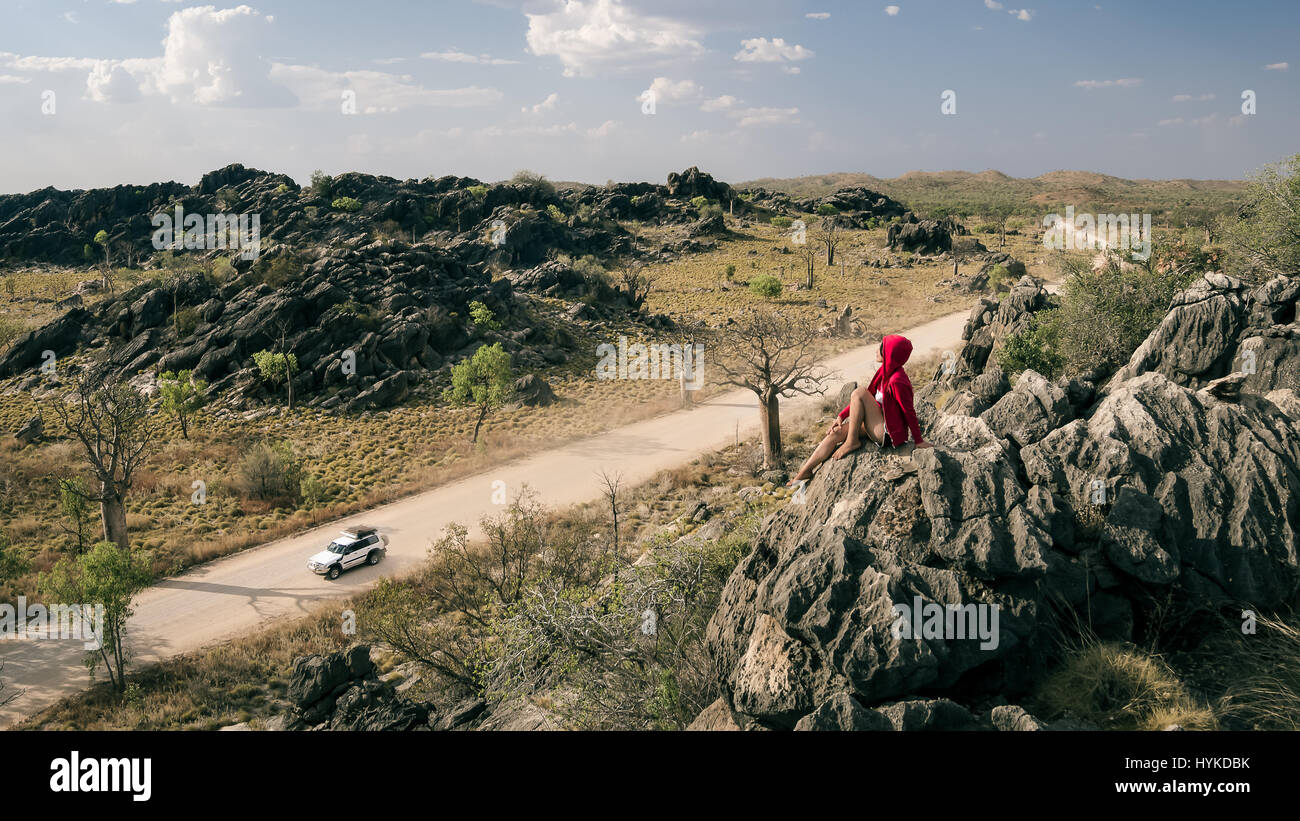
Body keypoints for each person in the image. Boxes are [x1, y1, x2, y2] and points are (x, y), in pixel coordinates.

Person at [790, 333, 930, 485]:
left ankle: (852, 441)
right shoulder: (883, 372)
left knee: (859, 392)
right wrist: (841, 416)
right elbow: (868, 396)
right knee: (836, 432)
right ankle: (804, 472)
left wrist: (918, 440)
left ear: (890, 354)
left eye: (881, 348)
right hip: (876, 421)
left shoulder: (898, 381)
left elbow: (908, 411)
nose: (877, 350)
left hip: (887, 433)